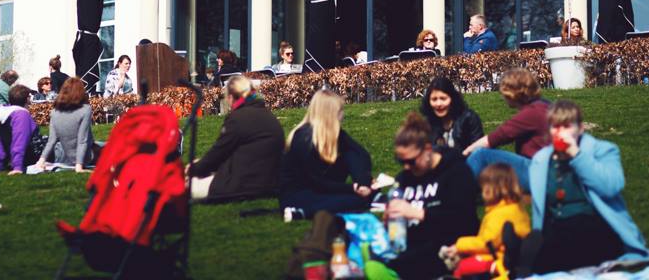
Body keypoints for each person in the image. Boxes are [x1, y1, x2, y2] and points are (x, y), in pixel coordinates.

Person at [509, 100, 647, 275]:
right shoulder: (542, 160)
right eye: (555, 127)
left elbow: (611, 186)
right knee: (535, 253)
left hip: (594, 227)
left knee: (573, 243)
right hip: (556, 228)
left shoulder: (602, 151)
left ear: (580, 129)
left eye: (566, 126)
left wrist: (577, 155)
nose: (560, 132)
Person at [368, 112, 479, 280]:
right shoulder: (405, 178)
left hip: (448, 247)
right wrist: (390, 220)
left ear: (427, 150)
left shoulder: (456, 171)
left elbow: (463, 219)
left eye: (411, 161)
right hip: (412, 245)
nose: (406, 167)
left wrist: (417, 213)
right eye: (401, 161)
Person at [279, 88, 374, 218]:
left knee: (349, 154)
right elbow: (315, 182)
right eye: (340, 111)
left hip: (319, 190)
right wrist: (353, 188)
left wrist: (364, 181)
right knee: (356, 201)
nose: (343, 115)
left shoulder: (335, 134)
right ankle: (301, 213)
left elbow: (359, 154)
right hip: (299, 194)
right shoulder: (303, 139)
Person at [189, 75, 284, 202]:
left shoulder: (238, 118)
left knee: (183, 187)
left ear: (231, 97)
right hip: (269, 184)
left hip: (244, 186)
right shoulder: (268, 116)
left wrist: (193, 169)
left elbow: (218, 154)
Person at [462, 67, 549, 191]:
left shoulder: (531, 113)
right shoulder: (544, 105)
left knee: (481, 155)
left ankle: (456, 192)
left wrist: (463, 154)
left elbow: (495, 138)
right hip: (548, 170)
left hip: (539, 174)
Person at [447, 163, 531, 279]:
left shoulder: (500, 214)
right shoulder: (514, 207)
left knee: (462, 267)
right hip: (512, 259)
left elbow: (488, 243)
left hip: (501, 262)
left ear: (498, 188)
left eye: (485, 188)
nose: (482, 192)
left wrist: (459, 245)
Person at [37, 76, 95, 172]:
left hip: (68, 157)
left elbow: (52, 140)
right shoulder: (85, 109)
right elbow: (82, 140)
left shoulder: (55, 112)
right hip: (86, 157)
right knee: (108, 147)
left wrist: (41, 161)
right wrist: (79, 166)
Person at [420, 76, 484, 151]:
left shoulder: (469, 119)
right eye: (434, 99)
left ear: (452, 99)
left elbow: (478, 150)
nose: (438, 104)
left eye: (443, 99)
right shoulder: (428, 123)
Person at [0, 84, 37, 174]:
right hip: (33, 156)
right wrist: (17, 167)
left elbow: (2, 142)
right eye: (29, 97)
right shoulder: (21, 115)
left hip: (24, 158)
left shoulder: (6, 114)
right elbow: (20, 141)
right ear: (26, 99)